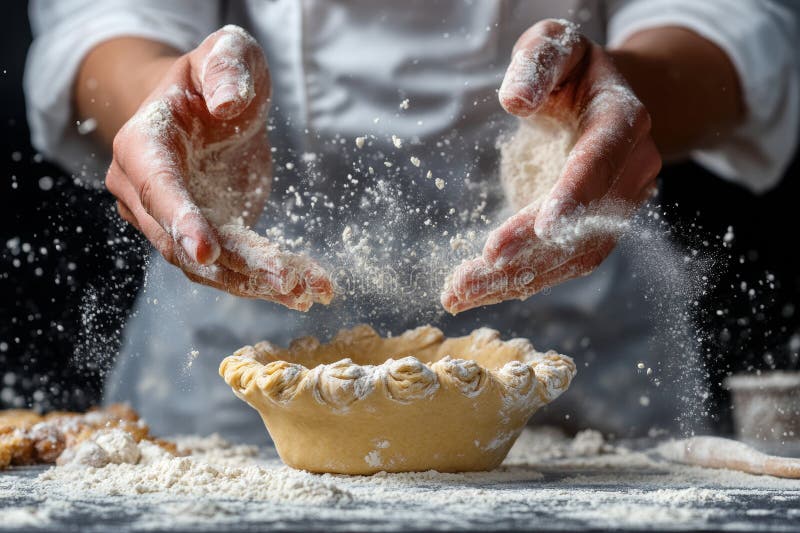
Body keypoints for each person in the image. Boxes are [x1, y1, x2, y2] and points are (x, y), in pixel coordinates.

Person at [25, 1, 799, 442]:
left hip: (578, 326)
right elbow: (100, 20)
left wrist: (624, 93)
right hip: (235, 332)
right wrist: (170, 101)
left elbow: (738, 21)